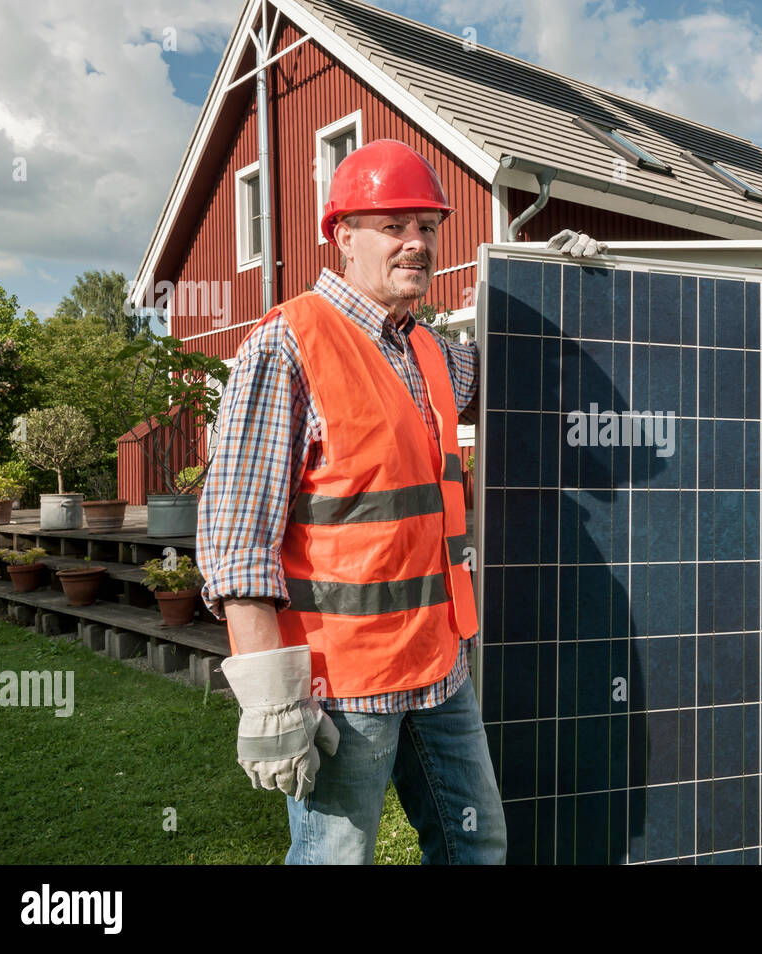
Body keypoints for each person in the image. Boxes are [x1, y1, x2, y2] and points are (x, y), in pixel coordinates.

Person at [197, 138, 604, 865]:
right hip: (344, 684)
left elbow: (518, 362)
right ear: (342, 236)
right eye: (394, 225)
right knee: (334, 860)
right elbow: (236, 536)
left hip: (439, 669)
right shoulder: (289, 344)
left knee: (477, 847)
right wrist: (271, 699)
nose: (416, 243)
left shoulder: (433, 352)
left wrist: (558, 279)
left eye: (427, 226)